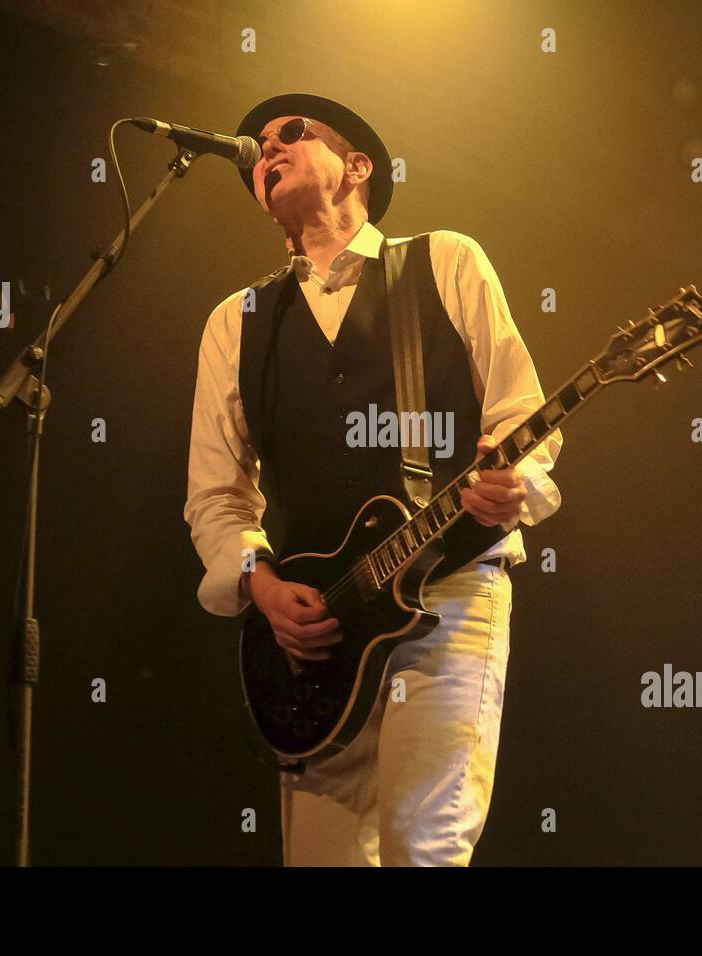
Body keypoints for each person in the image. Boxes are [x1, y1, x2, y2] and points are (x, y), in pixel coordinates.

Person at [184, 93, 562, 865]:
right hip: (316, 632)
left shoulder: (447, 260)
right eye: (258, 144)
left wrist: (511, 481)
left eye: (291, 133)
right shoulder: (237, 321)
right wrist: (259, 585)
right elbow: (217, 494)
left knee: (420, 845)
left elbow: (523, 415)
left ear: (356, 166)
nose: (266, 147)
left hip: (447, 593)